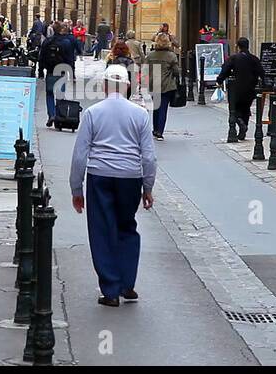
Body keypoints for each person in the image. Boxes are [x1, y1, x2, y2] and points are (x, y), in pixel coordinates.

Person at [70, 64, 157, 307]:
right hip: (130, 176)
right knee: (127, 227)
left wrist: (76, 189)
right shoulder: (140, 114)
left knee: (101, 230)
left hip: (100, 175)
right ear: (128, 86)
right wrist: (148, 187)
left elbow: (79, 155)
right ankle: (127, 283)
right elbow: (149, 156)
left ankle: (110, 289)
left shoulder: (93, 113)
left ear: (104, 86)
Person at [216, 37, 264, 141]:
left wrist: (219, 80)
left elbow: (225, 69)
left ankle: (240, 123)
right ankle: (243, 130)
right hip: (250, 88)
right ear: (248, 46)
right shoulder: (254, 59)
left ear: (238, 46)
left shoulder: (234, 58)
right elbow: (261, 72)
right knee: (246, 109)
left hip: (236, 88)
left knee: (234, 109)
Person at [38, 22, 77, 127]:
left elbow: (41, 57)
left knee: (49, 94)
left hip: (50, 71)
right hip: (62, 72)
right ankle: (58, 116)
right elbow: (70, 59)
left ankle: (51, 114)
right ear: (61, 30)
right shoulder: (66, 42)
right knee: (60, 95)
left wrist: (40, 71)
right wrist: (72, 73)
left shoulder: (47, 41)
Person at [144, 34, 180, 140]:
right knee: (163, 108)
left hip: (153, 84)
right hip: (167, 85)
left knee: (156, 107)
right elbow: (176, 72)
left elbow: (145, 70)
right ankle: (160, 131)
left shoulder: (150, 55)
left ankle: (155, 130)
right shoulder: (171, 56)